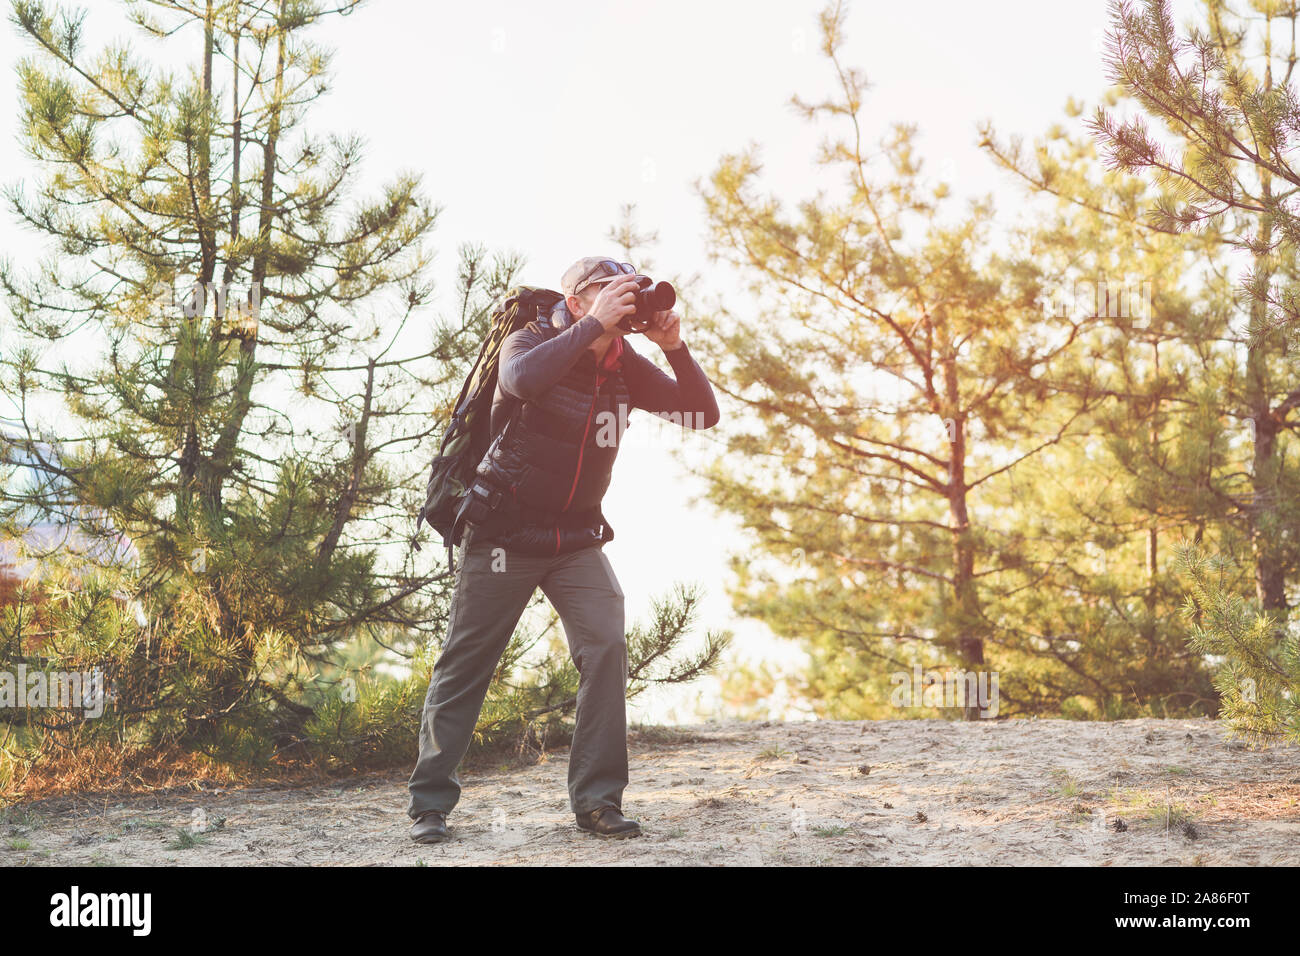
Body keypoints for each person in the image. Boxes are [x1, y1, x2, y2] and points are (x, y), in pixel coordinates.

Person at [407, 256, 721, 842]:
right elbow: (521, 382)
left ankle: (598, 803)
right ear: (576, 302)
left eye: (629, 290)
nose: (623, 299)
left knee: (605, 646)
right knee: (468, 662)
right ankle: (430, 803)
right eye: (607, 291)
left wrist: (674, 347)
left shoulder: (625, 364)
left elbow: (701, 413)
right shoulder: (532, 339)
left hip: (575, 537)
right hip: (502, 533)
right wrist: (590, 328)